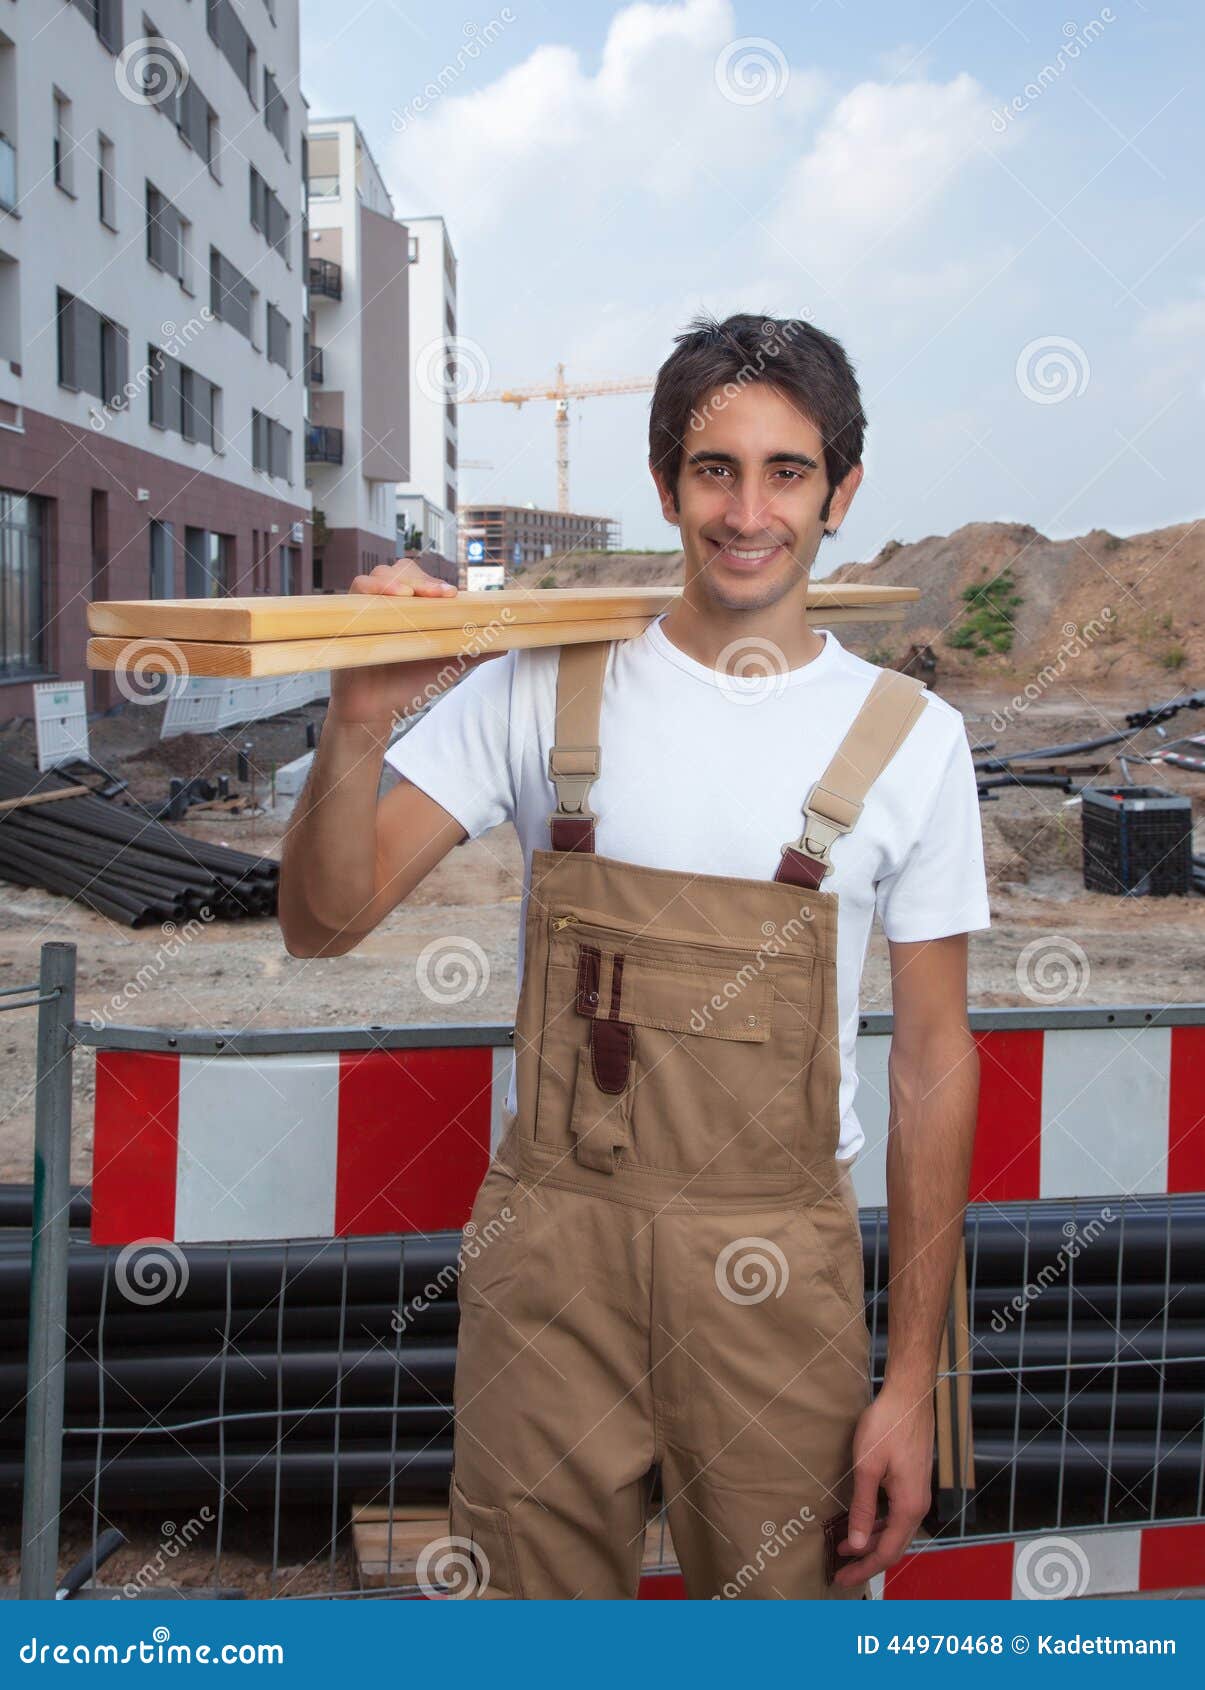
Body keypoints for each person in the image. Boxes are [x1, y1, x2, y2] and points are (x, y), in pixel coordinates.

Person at [279, 312, 990, 1600]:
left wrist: (911, 1384)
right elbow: (322, 926)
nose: (747, 510)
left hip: (780, 1284)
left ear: (842, 491)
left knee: (777, 1647)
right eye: (714, 468)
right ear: (665, 483)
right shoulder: (542, 683)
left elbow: (937, 1061)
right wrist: (356, 720)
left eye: (787, 470)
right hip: (554, 1266)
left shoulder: (914, 740)